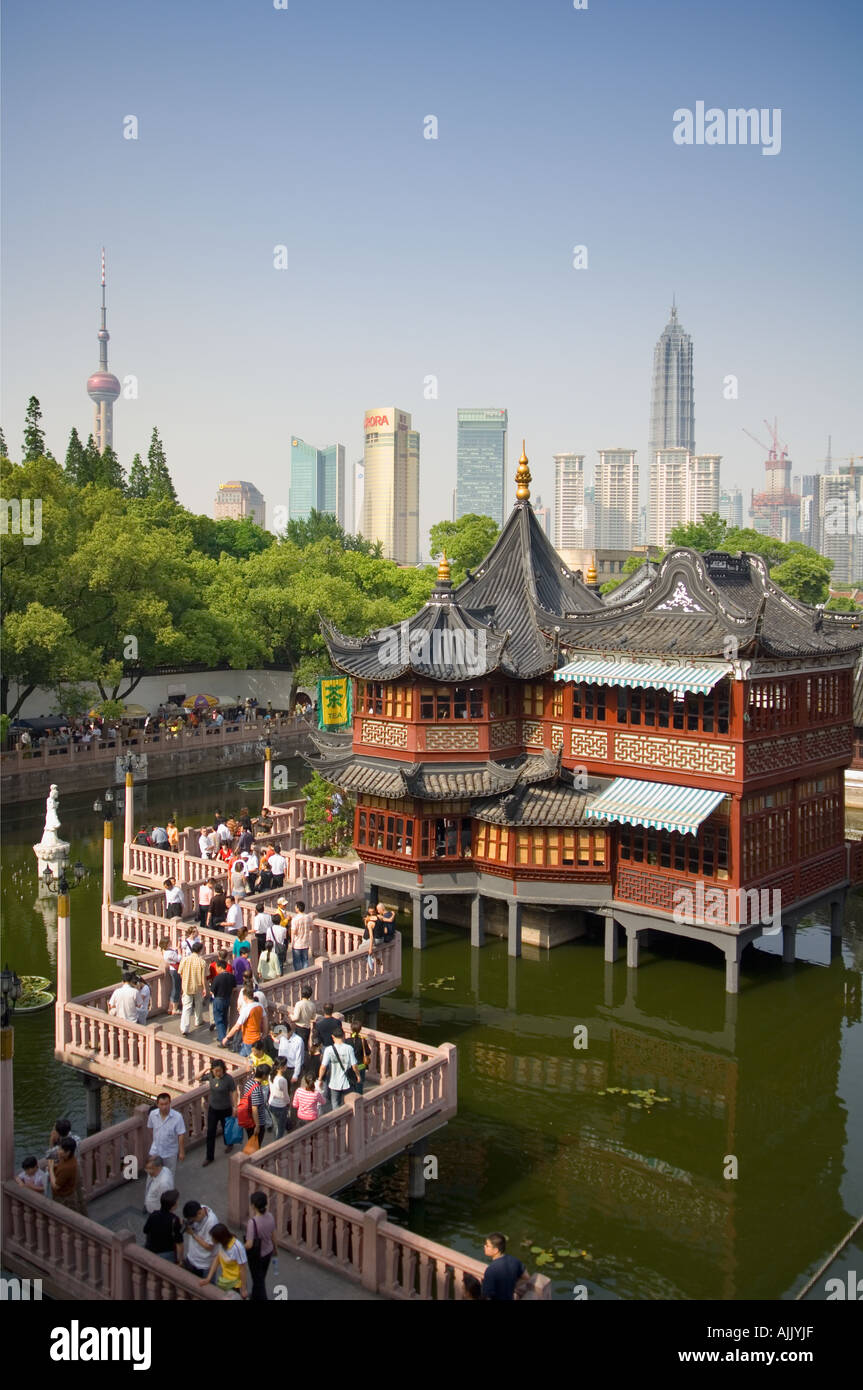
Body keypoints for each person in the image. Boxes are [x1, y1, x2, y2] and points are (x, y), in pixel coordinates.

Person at [199, 1058, 237, 1163]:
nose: (217, 1073)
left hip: (226, 1108)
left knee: (227, 1129)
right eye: (215, 1071)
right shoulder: (211, 1076)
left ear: (223, 1069)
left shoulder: (228, 1079)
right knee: (211, 1132)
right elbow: (197, 1077)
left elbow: (234, 1092)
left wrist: (235, 1106)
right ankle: (209, 1157)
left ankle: (229, 1143)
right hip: (213, 1109)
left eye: (219, 1070)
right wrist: (206, 1069)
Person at [245, 1191, 276, 1301]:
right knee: (261, 1277)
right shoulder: (271, 1216)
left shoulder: (252, 1223)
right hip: (268, 1252)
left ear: (253, 1206)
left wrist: (241, 1247)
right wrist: (275, 1250)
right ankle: (254, 1295)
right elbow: (273, 1235)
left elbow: (249, 1244)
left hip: (257, 1256)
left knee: (258, 1280)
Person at [203, 1224, 249, 1297]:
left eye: (213, 1238)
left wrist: (243, 1289)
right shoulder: (222, 1244)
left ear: (220, 1238)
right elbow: (217, 1259)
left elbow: (243, 1269)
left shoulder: (237, 1247)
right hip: (225, 1281)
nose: (211, 1240)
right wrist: (208, 1278)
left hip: (236, 1285)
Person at [481, 1233, 530, 1301]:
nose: (484, 1246)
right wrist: (512, 1286)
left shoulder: (491, 1270)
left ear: (496, 1250)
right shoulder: (515, 1261)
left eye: (487, 1245)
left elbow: (486, 1295)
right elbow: (526, 1277)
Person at [318, 1028, 356, 1111]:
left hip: (334, 1082)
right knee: (349, 1104)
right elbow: (354, 1065)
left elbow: (323, 1066)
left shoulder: (329, 1050)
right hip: (347, 1081)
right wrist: (358, 1075)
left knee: (335, 1104)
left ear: (333, 1037)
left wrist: (320, 1079)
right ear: (344, 1036)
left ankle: (337, 1122)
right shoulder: (349, 1048)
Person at [147, 1093, 186, 1173]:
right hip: (156, 1150)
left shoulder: (177, 1117)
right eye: (161, 1104)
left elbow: (181, 1134)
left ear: (170, 1103)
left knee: (169, 1174)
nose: (164, 1107)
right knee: (152, 1173)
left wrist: (181, 1152)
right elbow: (150, 1128)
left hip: (170, 1152)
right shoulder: (153, 1114)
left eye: (166, 1104)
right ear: (157, 1104)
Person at [47, 1138, 87, 1215]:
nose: (58, 1151)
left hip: (64, 1198)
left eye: (60, 1149)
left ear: (68, 1152)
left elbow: (56, 1186)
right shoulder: (69, 1159)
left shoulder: (67, 1168)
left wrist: (51, 1168)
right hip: (68, 1193)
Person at [223, 983, 264, 1055]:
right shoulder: (260, 1006)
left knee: (251, 1060)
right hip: (257, 1037)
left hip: (248, 1039)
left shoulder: (246, 1009)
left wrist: (227, 1037)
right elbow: (265, 1021)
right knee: (242, 1055)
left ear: (245, 997)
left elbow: (236, 1027)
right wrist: (264, 1035)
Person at [143, 1189, 183, 1263]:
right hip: (166, 1253)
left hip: (151, 1249)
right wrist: (180, 1261)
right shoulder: (174, 1220)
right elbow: (179, 1243)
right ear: (173, 1206)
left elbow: (145, 1230)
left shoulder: (153, 1214)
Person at [182, 1200, 219, 1276]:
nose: (193, 1222)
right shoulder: (198, 1209)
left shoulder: (212, 1222)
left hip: (204, 1265)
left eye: (193, 1219)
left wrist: (193, 1234)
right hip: (191, 1259)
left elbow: (209, 1247)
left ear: (199, 1213)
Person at [238, 1065, 271, 1149]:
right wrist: (257, 1125)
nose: (268, 1077)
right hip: (255, 1121)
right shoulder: (257, 1089)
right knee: (256, 1145)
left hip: (248, 1119)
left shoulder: (249, 1082)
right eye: (268, 1075)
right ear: (264, 1075)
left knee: (251, 1142)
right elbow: (254, 1108)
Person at [179, 940, 207, 1035]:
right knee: (198, 1004)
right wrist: (205, 988)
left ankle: (184, 1028)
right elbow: (203, 977)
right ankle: (198, 1021)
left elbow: (180, 973)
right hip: (198, 986)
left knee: (187, 1007)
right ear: (200, 950)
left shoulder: (185, 959)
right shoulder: (202, 962)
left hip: (186, 985)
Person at [209, 958, 236, 1044]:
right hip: (227, 999)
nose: (216, 969)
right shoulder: (231, 976)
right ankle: (223, 1035)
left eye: (217, 967)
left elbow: (212, 990)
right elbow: (234, 988)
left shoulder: (217, 978)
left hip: (218, 999)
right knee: (224, 1018)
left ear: (220, 967)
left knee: (219, 1020)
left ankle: (222, 1039)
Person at [268, 1057, 291, 1139]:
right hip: (281, 1106)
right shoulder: (282, 1080)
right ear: (281, 1067)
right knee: (281, 1129)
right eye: (285, 1065)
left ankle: (275, 1141)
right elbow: (285, 1095)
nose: (286, 1067)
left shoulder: (270, 1076)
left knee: (275, 1126)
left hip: (271, 1103)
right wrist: (288, 1102)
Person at [347, 1017, 371, 1095]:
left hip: (351, 1066)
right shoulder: (362, 1040)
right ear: (360, 1029)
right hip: (361, 1066)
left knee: (351, 1084)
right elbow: (368, 1052)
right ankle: (359, 1099)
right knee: (360, 1084)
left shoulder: (348, 1041)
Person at [160, 935, 182, 1015]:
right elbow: (179, 958)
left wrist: (177, 947)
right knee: (176, 989)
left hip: (172, 970)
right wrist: (179, 949)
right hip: (175, 971)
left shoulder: (165, 950)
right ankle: (175, 1009)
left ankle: (170, 1007)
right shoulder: (169, 953)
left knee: (174, 988)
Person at [290, 899, 313, 972]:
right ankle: (305, 975)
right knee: (305, 960)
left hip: (297, 943)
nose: (295, 908)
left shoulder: (295, 919)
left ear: (298, 908)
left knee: (297, 962)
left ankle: (299, 976)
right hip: (305, 942)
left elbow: (293, 932)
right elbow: (311, 928)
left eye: (296, 907)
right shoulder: (308, 917)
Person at [266, 909, 290, 974]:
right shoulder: (284, 929)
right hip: (280, 948)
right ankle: (280, 976)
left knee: (272, 964)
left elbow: (267, 939)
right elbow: (284, 938)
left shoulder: (269, 929)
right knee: (280, 964)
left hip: (272, 949)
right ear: (280, 921)